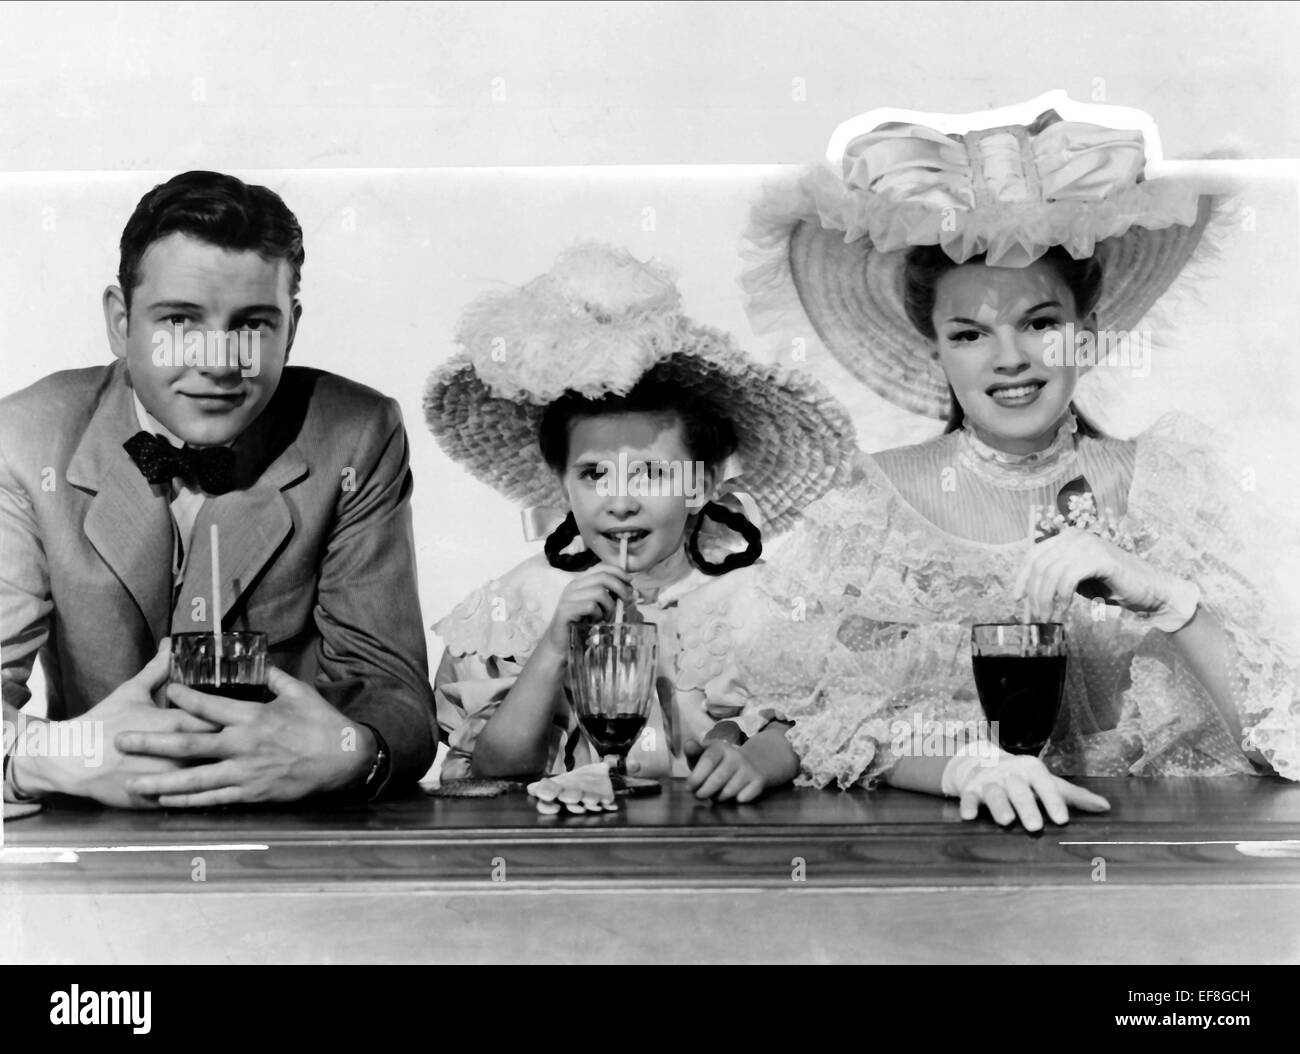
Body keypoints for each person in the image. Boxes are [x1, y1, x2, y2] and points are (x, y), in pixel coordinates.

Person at [734, 95, 1300, 830]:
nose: (1010, 360)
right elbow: (809, 727)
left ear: (1086, 333)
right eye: (970, 334)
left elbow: (1284, 741)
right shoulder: (874, 502)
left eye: (1039, 324)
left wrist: (1168, 598)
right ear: (933, 349)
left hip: (1151, 875)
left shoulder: (1168, 486)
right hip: (942, 885)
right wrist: (959, 767)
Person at [1, 171, 437, 810]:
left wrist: (349, 752)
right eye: (179, 319)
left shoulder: (358, 432)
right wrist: (55, 758)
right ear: (121, 323)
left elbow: (395, 700)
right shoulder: (25, 435)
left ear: (292, 326)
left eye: (254, 325)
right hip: (100, 845)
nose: (218, 362)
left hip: (297, 839)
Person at [425, 243, 856, 809]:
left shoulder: (761, 603)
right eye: (593, 473)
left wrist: (757, 756)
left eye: (651, 473)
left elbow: (826, 724)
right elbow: (493, 771)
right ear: (562, 487)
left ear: (699, 486)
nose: (620, 503)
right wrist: (555, 646)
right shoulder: (523, 601)